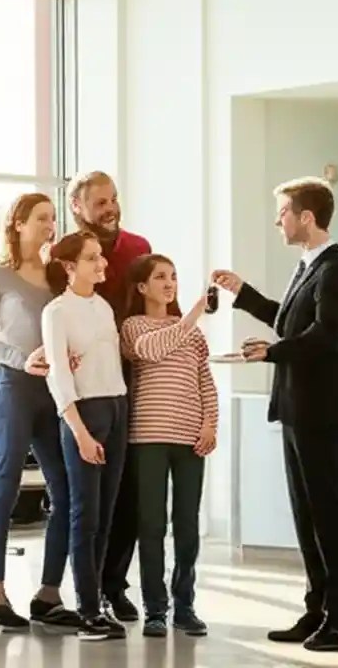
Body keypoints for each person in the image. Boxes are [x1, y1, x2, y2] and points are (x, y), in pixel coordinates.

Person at [212, 176, 338, 653]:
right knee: (307, 518)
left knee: (331, 518)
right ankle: (317, 612)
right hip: (298, 409)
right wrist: (245, 293)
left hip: (320, 411)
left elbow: (324, 338)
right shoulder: (309, 268)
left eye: (283, 212)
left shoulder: (337, 272)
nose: (277, 220)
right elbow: (290, 320)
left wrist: (271, 354)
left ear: (306, 217)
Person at [0, 193, 80, 630]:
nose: (50, 226)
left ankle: (48, 594)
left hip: (54, 393)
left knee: (67, 490)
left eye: (53, 218)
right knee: (5, 486)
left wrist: (70, 356)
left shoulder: (58, 277)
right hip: (13, 390)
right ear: (18, 224)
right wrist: (21, 359)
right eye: (41, 218)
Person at [119, 254, 217, 638]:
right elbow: (151, 349)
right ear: (142, 287)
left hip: (190, 440)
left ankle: (185, 606)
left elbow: (205, 382)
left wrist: (210, 424)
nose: (169, 283)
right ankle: (155, 608)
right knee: (152, 525)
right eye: (161, 277)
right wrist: (194, 313)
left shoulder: (190, 331)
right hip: (148, 438)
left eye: (173, 277)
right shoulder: (133, 327)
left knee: (188, 527)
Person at [69, 170, 152, 622]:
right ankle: (85, 588)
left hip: (131, 380)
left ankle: (113, 585)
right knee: (88, 496)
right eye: (100, 202)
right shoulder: (67, 253)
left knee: (129, 489)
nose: (111, 207)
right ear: (78, 208)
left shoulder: (138, 247)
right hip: (84, 387)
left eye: (114, 198)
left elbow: (159, 305)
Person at [40, 230, 130, 641]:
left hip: (116, 407)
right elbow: (58, 376)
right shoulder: (56, 312)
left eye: (100, 257)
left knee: (106, 515)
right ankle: (88, 612)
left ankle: (97, 605)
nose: (102, 264)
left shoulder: (104, 307)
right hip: (85, 414)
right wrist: (78, 432)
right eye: (93, 258)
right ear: (70, 266)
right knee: (85, 515)